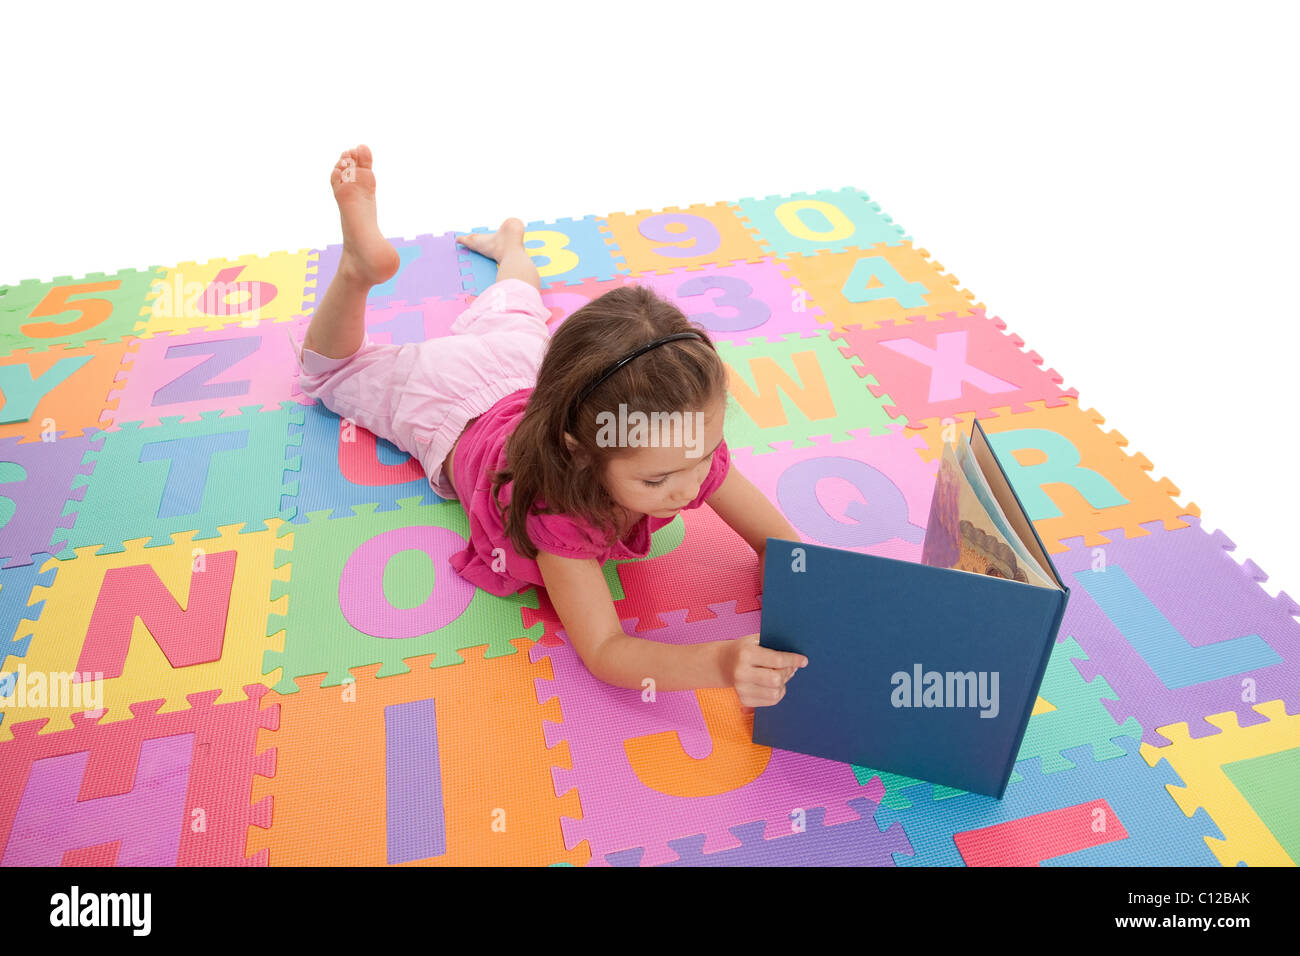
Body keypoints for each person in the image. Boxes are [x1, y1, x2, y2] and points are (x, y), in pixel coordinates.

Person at [293, 145, 808, 710]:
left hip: (521, 366)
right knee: (332, 370)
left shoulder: (673, 440)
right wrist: (719, 661)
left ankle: (509, 244)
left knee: (517, 300)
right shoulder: (556, 509)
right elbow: (607, 650)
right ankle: (355, 271)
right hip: (450, 401)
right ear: (581, 454)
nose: (689, 487)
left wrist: (791, 577)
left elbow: (782, 544)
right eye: (657, 482)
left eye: (704, 456)